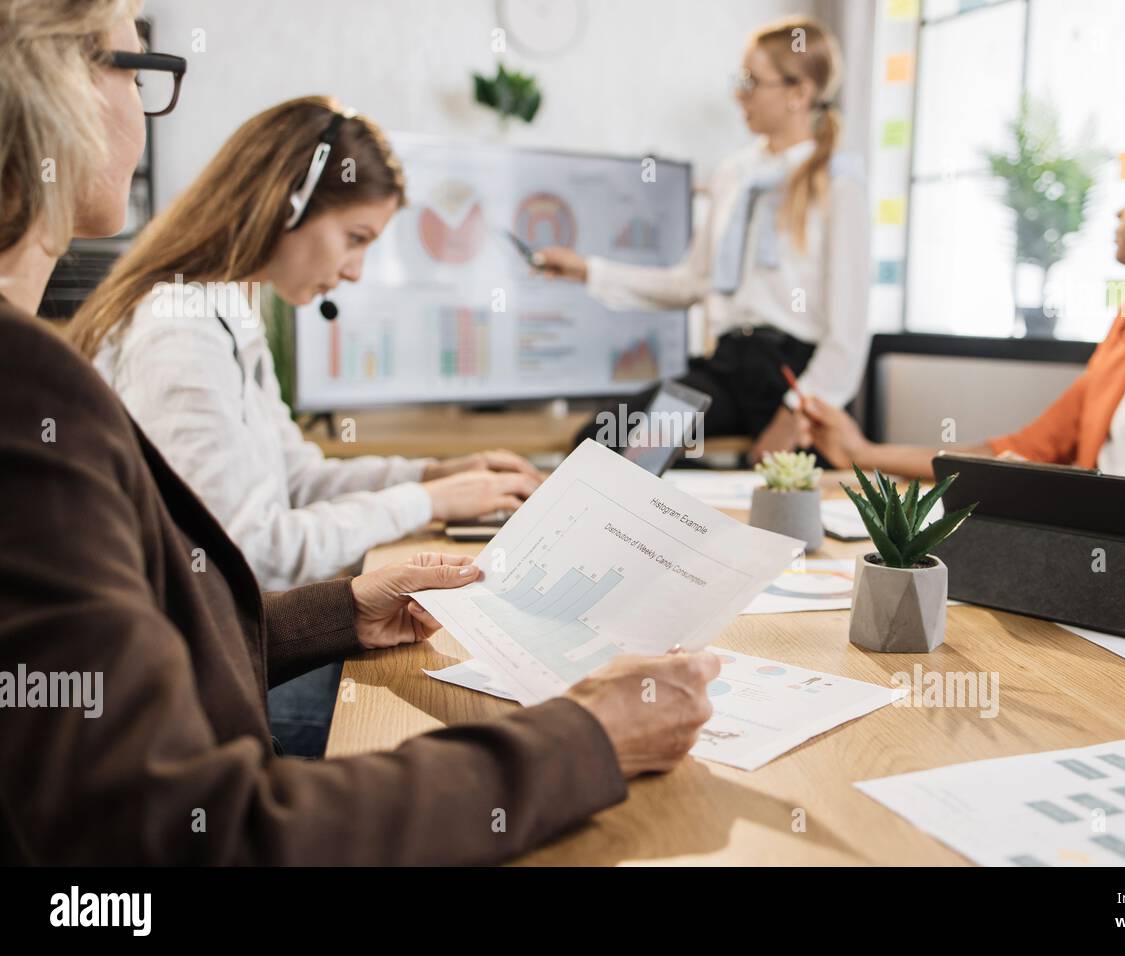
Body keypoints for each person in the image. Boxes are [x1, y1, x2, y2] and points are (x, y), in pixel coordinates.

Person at [0, 0, 719, 865]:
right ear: (59, 84)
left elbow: (215, 559)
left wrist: (339, 608)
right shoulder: (97, 361)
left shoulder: (211, 318)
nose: (356, 269)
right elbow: (175, 825)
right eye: (140, 71)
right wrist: (590, 740)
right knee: (497, 722)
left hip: (228, 692)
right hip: (228, 748)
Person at [65, 96, 546, 756]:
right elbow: (246, 556)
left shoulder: (226, 311)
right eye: (355, 240)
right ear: (286, 205)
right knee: (451, 714)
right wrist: (428, 502)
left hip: (228, 645)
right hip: (187, 686)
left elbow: (297, 475)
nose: (353, 271)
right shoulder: (180, 336)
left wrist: (434, 473)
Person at [797, 106, 1125, 605]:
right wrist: (863, 453)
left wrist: (1082, 517)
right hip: (1101, 582)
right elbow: (1025, 450)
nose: (1122, 209)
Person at [539, 15, 870, 462]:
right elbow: (691, 282)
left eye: (752, 81)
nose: (738, 93)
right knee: (609, 440)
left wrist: (794, 414)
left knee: (796, 505)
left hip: (803, 378)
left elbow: (847, 335)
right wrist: (588, 271)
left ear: (799, 92)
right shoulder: (733, 173)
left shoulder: (839, 181)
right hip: (729, 367)